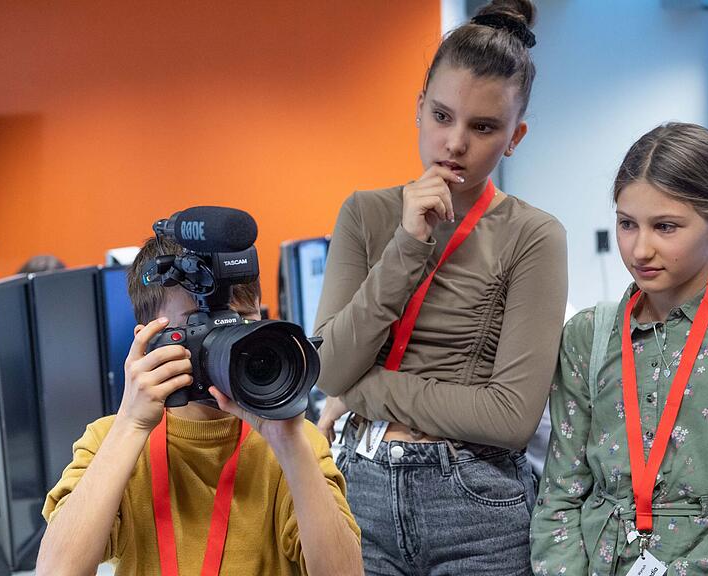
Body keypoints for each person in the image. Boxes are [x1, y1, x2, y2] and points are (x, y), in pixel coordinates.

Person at [314, 1, 568, 573]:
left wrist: (357, 390)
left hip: (476, 502)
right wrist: (407, 244)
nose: (455, 143)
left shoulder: (535, 235)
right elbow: (327, 367)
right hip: (363, 490)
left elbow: (508, 418)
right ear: (418, 108)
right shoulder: (364, 214)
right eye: (442, 115)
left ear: (514, 137)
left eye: (484, 127)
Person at [531, 122, 708, 575]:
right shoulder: (588, 334)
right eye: (627, 224)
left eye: (665, 227)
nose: (640, 248)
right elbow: (560, 491)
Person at [36, 235, 362, 576]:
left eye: (241, 321)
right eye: (198, 325)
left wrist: (289, 444)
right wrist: (131, 424)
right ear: (149, 340)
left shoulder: (294, 439)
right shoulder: (113, 440)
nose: (230, 342)